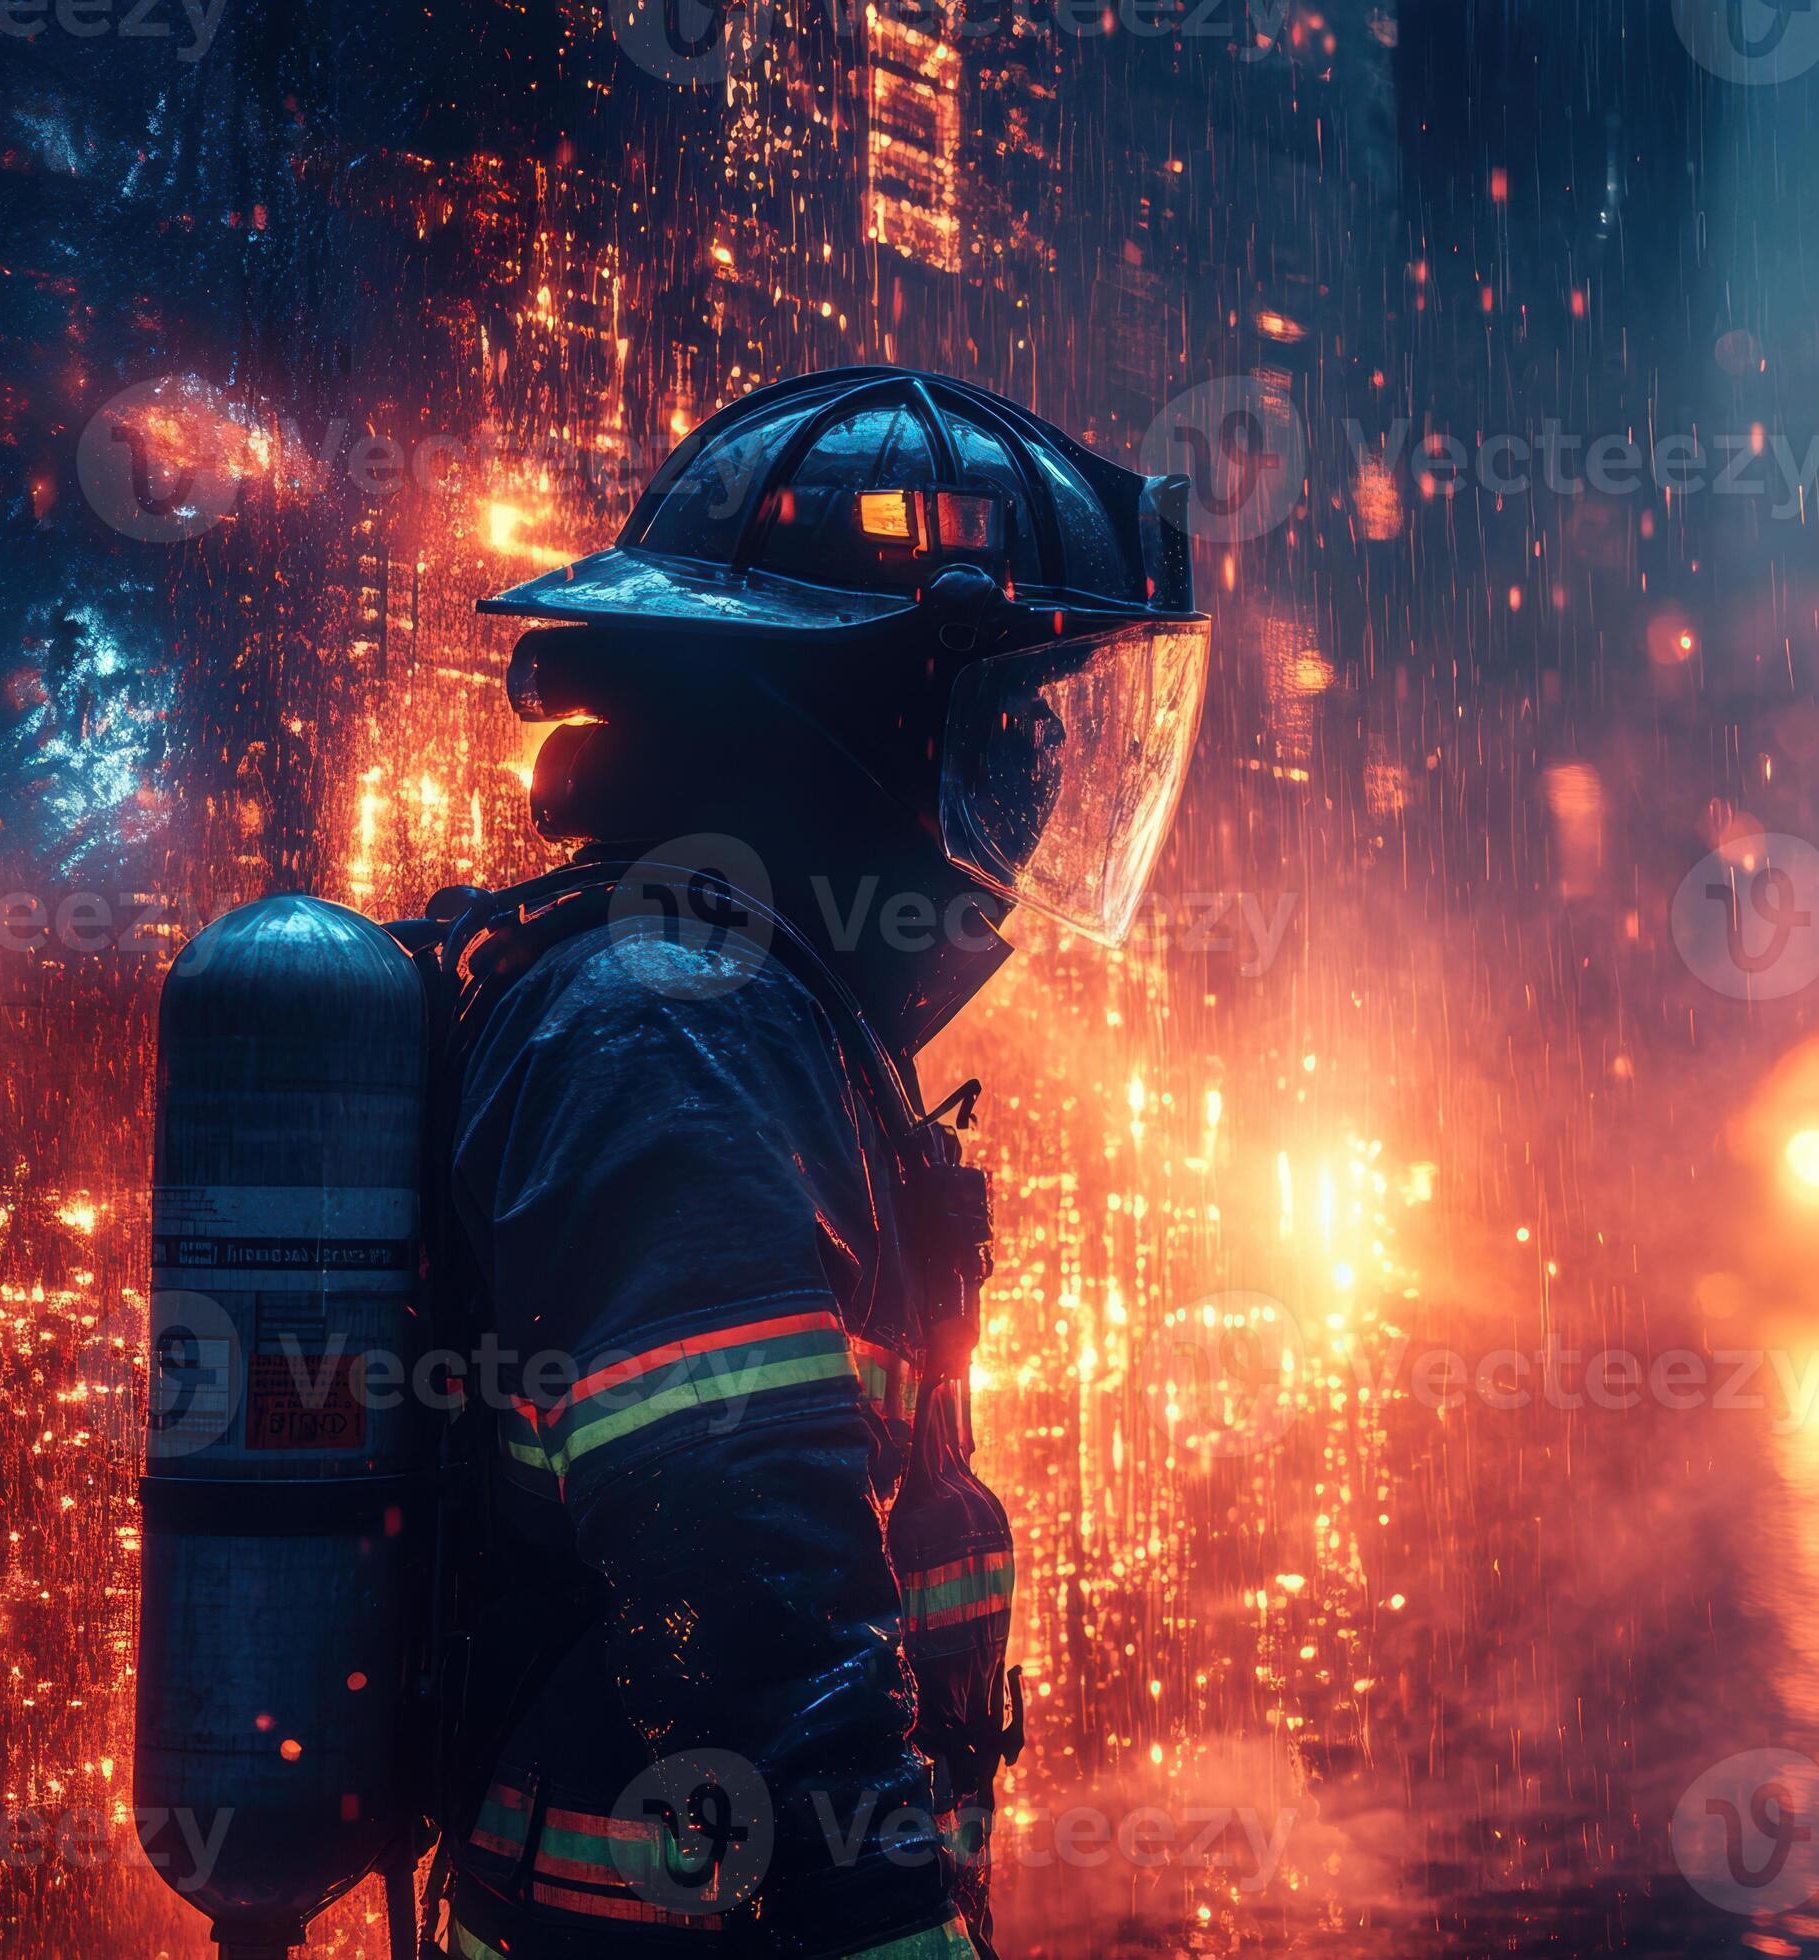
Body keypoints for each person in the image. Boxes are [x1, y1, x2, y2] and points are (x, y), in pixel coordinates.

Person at [415, 367, 1208, 1959]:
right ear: (856, 727)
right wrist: (887, 1931)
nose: (1037, 777)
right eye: (1006, 719)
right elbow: (746, 1568)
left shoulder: (747, 1009)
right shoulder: (676, 1026)